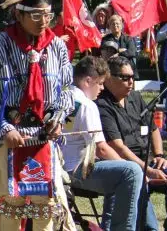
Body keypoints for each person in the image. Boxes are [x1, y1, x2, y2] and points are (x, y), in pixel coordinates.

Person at [0, 0, 73, 230]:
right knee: (10, 206)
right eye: (37, 15)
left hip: (44, 138)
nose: (44, 21)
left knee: (45, 208)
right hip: (9, 137)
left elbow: (66, 87)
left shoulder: (57, 47)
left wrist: (58, 118)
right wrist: (4, 126)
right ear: (19, 13)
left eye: (48, 14)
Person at [97, 56, 167, 231]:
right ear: (108, 78)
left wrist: (160, 156)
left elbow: (153, 129)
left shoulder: (136, 98)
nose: (131, 81)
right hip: (125, 165)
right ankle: (149, 228)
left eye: (132, 77)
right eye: (125, 77)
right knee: (138, 179)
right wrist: (147, 170)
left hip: (147, 160)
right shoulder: (102, 105)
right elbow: (117, 146)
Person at [62, 55, 143, 231]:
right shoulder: (87, 105)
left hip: (60, 168)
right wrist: (131, 166)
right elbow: (101, 148)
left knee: (119, 174)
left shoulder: (62, 97)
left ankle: (107, 226)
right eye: (99, 83)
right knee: (131, 172)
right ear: (88, 80)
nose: (101, 88)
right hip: (76, 171)